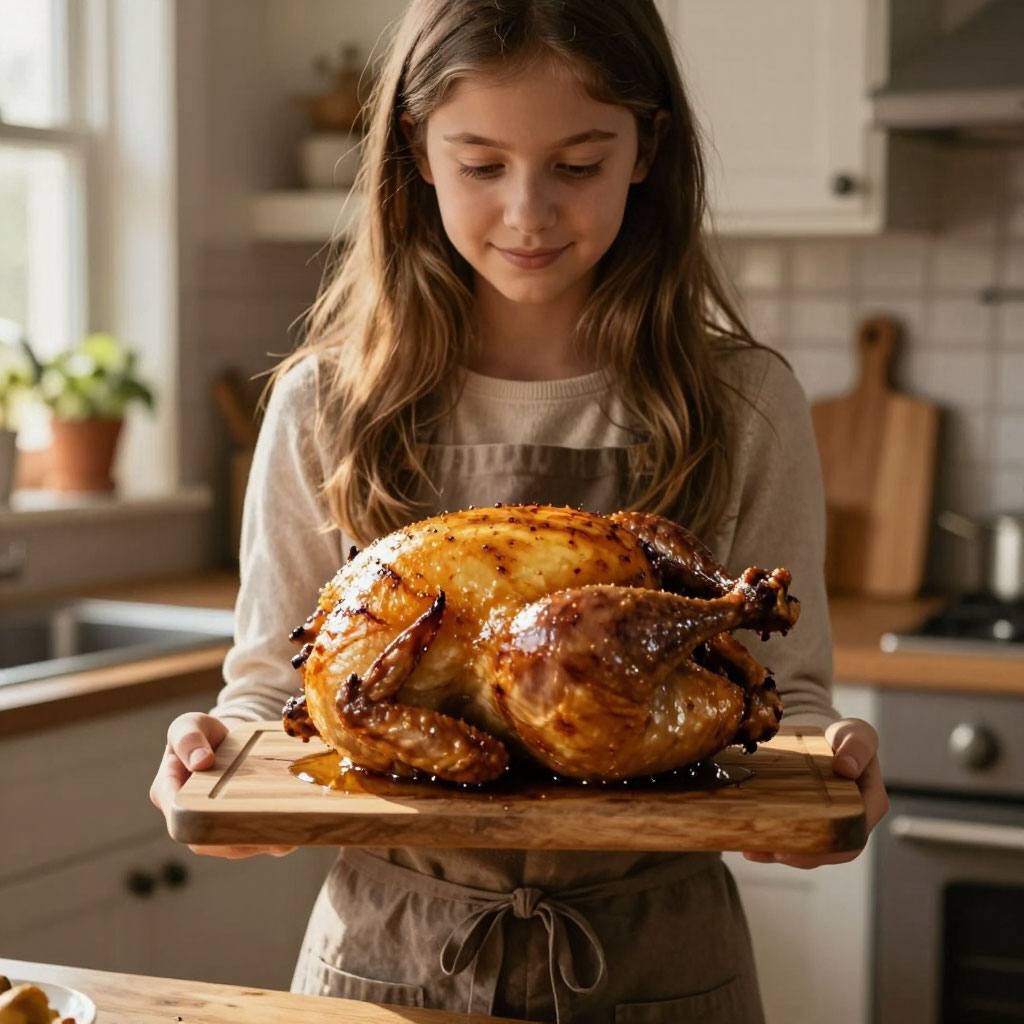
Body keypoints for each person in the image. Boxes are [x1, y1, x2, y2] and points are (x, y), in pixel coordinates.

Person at [150, 1, 888, 1020]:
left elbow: (784, 702)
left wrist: (827, 767)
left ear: (646, 149)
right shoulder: (326, 404)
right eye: (481, 164)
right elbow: (275, 694)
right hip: (389, 956)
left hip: (660, 959)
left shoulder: (741, 401)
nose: (529, 213)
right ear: (415, 153)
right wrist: (213, 751)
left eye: (577, 164)